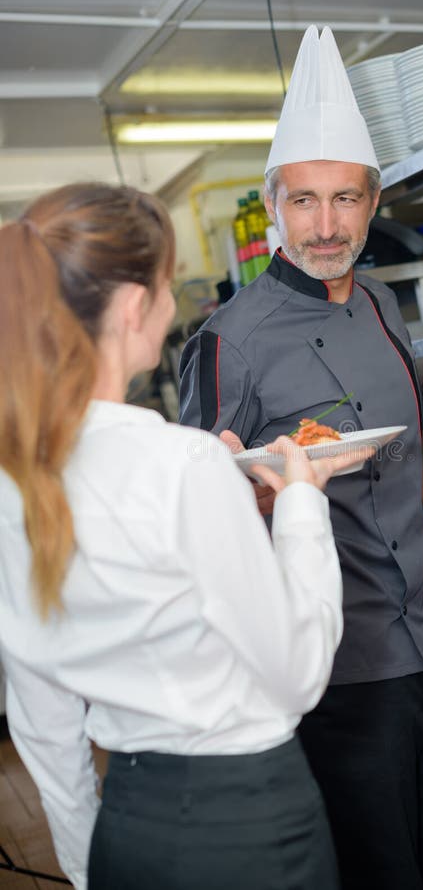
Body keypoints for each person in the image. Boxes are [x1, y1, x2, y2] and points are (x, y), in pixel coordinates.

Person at [179, 26, 423, 890]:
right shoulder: (230, 341)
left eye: (344, 201)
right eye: (302, 202)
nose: (325, 227)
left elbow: (400, 448)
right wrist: (268, 487)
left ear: (372, 204)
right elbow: (196, 511)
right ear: (274, 206)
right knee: (376, 874)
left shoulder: (379, 302)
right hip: (334, 666)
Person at [0, 181, 373, 890]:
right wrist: (299, 501)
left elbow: (42, 719)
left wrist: (88, 868)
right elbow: (297, 676)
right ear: (137, 305)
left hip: (127, 832)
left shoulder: (14, 480)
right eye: (168, 283)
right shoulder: (183, 465)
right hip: (249, 830)